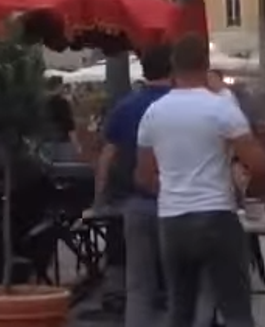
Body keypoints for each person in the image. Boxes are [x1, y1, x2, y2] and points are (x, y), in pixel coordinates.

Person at [135, 34, 265, 327]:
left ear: (173, 66)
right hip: (216, 216)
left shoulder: (153, 113)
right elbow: (260, 164)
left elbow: (144, 175)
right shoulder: (222, 108)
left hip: (172, 220)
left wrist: (174, 189)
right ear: (206, 66)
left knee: (180, 309)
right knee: (235, 310)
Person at [97, 46, 172, 327]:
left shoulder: (125, 106)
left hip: (135, 203)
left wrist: (99, 198)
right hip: (176, 205)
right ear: (172, 69)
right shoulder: (180, 104)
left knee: (139, 287)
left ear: (143, 71)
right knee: (177, 284)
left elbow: (107, 155)